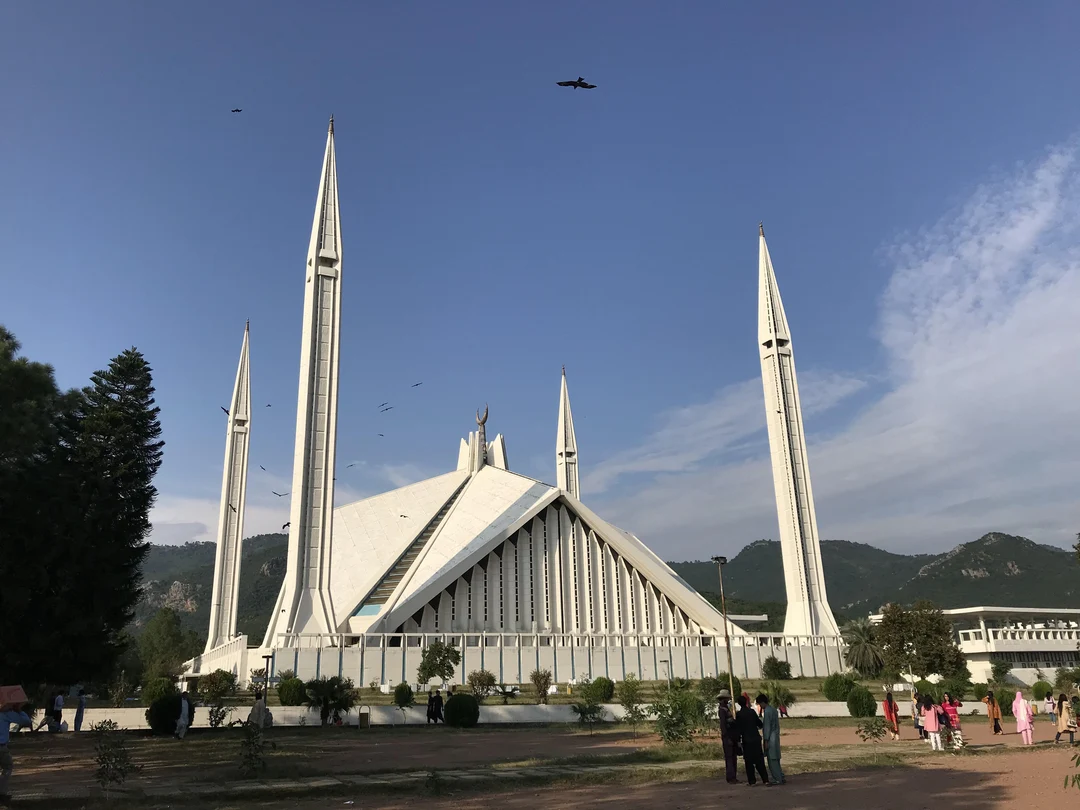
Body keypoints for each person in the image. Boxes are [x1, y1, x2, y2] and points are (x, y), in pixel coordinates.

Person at [733, 695, 770, 786]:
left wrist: (738, 741)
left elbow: (738, 729)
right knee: (759, 760)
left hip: (746, 740)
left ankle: (752, 781)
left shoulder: (739, 715)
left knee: (749, 762)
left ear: (738, 704)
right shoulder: (752, 712)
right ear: (746, 702)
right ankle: (765, 780)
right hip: (756, 739)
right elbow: (759, 724)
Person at [0, 703, 33, 804]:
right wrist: (18, 710)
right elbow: (26, 721)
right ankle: (2, 794)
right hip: (1, 747)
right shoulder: (6, 714)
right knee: (7, 767)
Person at [757, 694, 784, 785]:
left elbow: (767, 727)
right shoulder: (773, 710)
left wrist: (766, 740)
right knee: (776, 758)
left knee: (772, 759)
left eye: (760, 704)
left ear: (763, 702)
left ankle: (777, 778)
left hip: (770, 738)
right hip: (775, 736)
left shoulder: (767, 712)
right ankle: (780, 776)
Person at [717, 689, 739, 784]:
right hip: (728, 737)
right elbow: (723, 725)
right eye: (727, 699)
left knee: (733, 757)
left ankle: (733, 776)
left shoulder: (725, 708)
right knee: (730, 758)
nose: (728, 700)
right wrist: (727, 737)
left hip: (731, 736)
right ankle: (731, 777)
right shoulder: (722, 710)